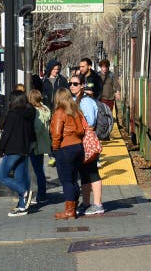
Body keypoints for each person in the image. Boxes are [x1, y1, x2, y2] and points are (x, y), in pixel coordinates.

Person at [0, 89, 35, 217]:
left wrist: (0, 150)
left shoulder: (12, 114)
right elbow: (30, 132)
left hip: (12, 149)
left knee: (2, 176)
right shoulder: (29, 113)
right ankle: (22, 206)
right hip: (24, 149)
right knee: (19, 177)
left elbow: (6, 134)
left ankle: (24, 192)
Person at [71, 75, 104, 216]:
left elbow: (90, 122)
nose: (72, 86)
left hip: (87, 140)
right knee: (84, 173)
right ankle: (86, 203)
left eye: (75, 83)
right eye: (70, 83)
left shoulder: (85, 102)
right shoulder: (75, 100)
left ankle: (97, 204)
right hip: (80, 140)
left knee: (91, 171)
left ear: (82, 85)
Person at [50, 87, 85, 220]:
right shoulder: (76, 111)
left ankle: (69, 211)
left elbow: (57, 133)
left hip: (65, 148)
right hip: (78, 147)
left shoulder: (60, 112)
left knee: (66, 181)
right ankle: (73, 208)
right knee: (74, 179)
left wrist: (55, 148)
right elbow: (82, 130)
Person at [26, 89, 51, 206]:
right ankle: (42, 193)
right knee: (40, 170)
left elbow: (37, 128)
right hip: (43, 144)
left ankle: (41, 195)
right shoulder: (45, 109)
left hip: (35, 145)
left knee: (38, 171)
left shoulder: (36, 112)